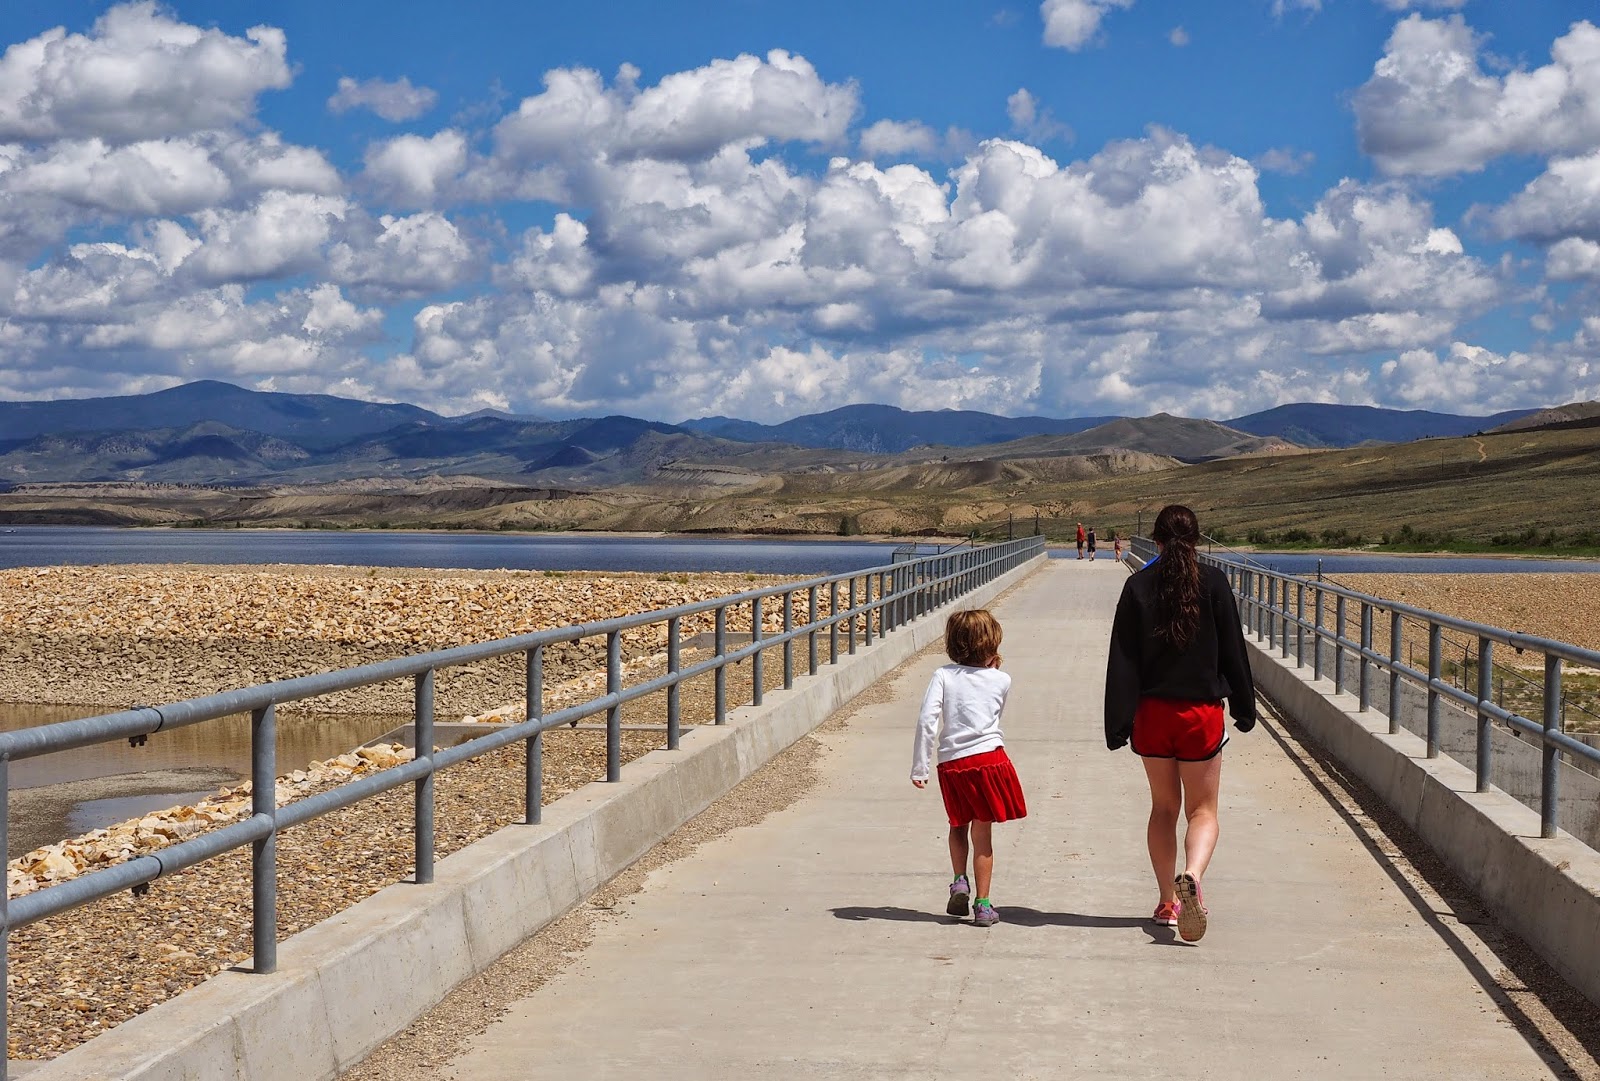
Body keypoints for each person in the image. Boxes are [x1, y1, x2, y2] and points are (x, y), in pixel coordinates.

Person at [1103, 504, 1256, 943]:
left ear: (1156, 542)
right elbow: (1233, 651)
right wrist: (1244, 708)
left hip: (1153, 716)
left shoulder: (1137, 586)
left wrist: (1118, 722)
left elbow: (1123, 661)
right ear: (1196, 540)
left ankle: (1168, 902)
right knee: (1202, 811)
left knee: (1163, 809)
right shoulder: (1213, 583)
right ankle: (1192, 875)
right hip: (1200, 716)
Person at [911, 609, 1028, 927]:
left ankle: (959, 880)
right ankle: (984, 905)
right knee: (983, 835)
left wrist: (920, 767)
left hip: (953, 763)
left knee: (957, 824)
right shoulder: (1002, 679)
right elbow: (993, 716)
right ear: (992, 645)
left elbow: (927, 721)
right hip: (989, 761)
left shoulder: (943, 675)